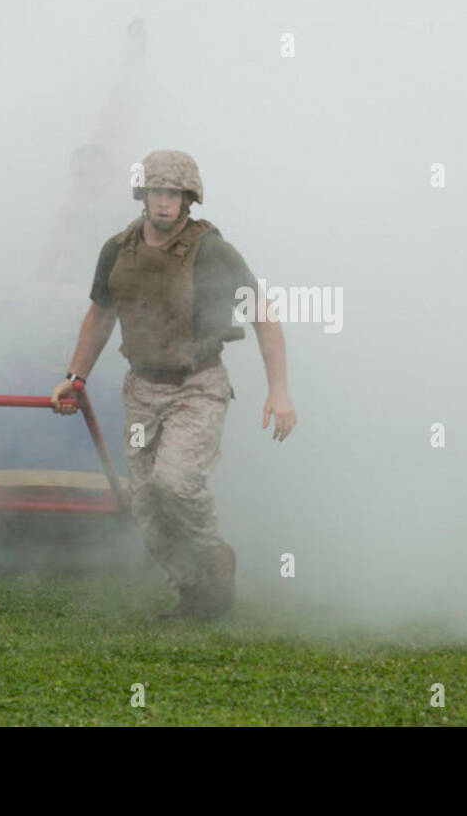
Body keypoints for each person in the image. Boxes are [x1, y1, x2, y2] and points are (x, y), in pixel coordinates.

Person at [49, 149, 297, 619]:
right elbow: (101, 314)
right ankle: (194, 594)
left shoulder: (213, 252)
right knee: (146, 504)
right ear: (143, 195)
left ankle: (211, 558)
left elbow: (263, 316)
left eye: (175, 194)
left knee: (176, 484)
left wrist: (278, 391)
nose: (165, 202)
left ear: (189, 199)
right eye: (157, 192)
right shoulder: (117, 249)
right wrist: (73, 376)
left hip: (197, 386)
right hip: (141, 387)